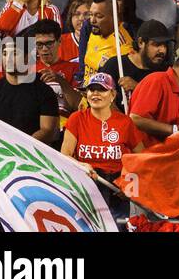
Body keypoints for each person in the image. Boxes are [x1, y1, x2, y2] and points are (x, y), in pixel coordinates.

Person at [61, 72, 143, 217]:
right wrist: (81, 165)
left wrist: (131, 187)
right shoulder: (77, 119)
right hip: (87, 184)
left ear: (112, 95)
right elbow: (65, 155)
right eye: (92, 89)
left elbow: (142, 158)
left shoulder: (125, 122)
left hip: (117, 187)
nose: (95, 94)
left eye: (102, 89)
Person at [127, 42, 179, 147]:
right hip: (144, 157)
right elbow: (135, 119)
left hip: (161, 156)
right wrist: (175, 129)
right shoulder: (157, 80)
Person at [100, 19, 172, 98]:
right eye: (157, 44)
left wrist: (138, 88)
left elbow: (167, 103)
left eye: (165, 45)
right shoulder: (115, 65)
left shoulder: (165, 72)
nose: (163, 50)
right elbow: (98, 97)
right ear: (141, 42)